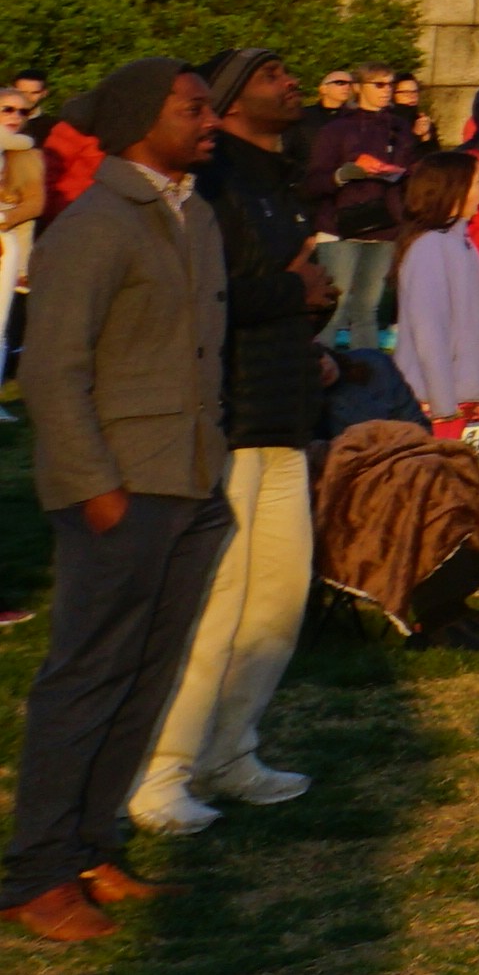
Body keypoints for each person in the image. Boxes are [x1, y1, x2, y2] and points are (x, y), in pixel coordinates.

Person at [13, 63, 230, 945]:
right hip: (120, 489)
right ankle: (34, 875)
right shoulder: (95, 225)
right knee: (86, 678)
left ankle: (90, 848)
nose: (210, 120)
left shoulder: (196, 215)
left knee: (145, 676)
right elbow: (50, 372)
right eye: (194, 108)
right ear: (144, 121)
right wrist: (93, 488)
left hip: (189, 482)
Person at [138, 44, 334, 825]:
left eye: (290, 69)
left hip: (281, 415)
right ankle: (159, 772)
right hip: (230, 417)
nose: (291, 83)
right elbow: (206, 300)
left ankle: (230, 751)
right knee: (217, 605)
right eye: (270, 75)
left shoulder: (279, 183)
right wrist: (295, 289)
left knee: (276, 604)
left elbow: (278, 295)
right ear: (227, 101)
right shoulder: (211, 186)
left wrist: (310, 333)